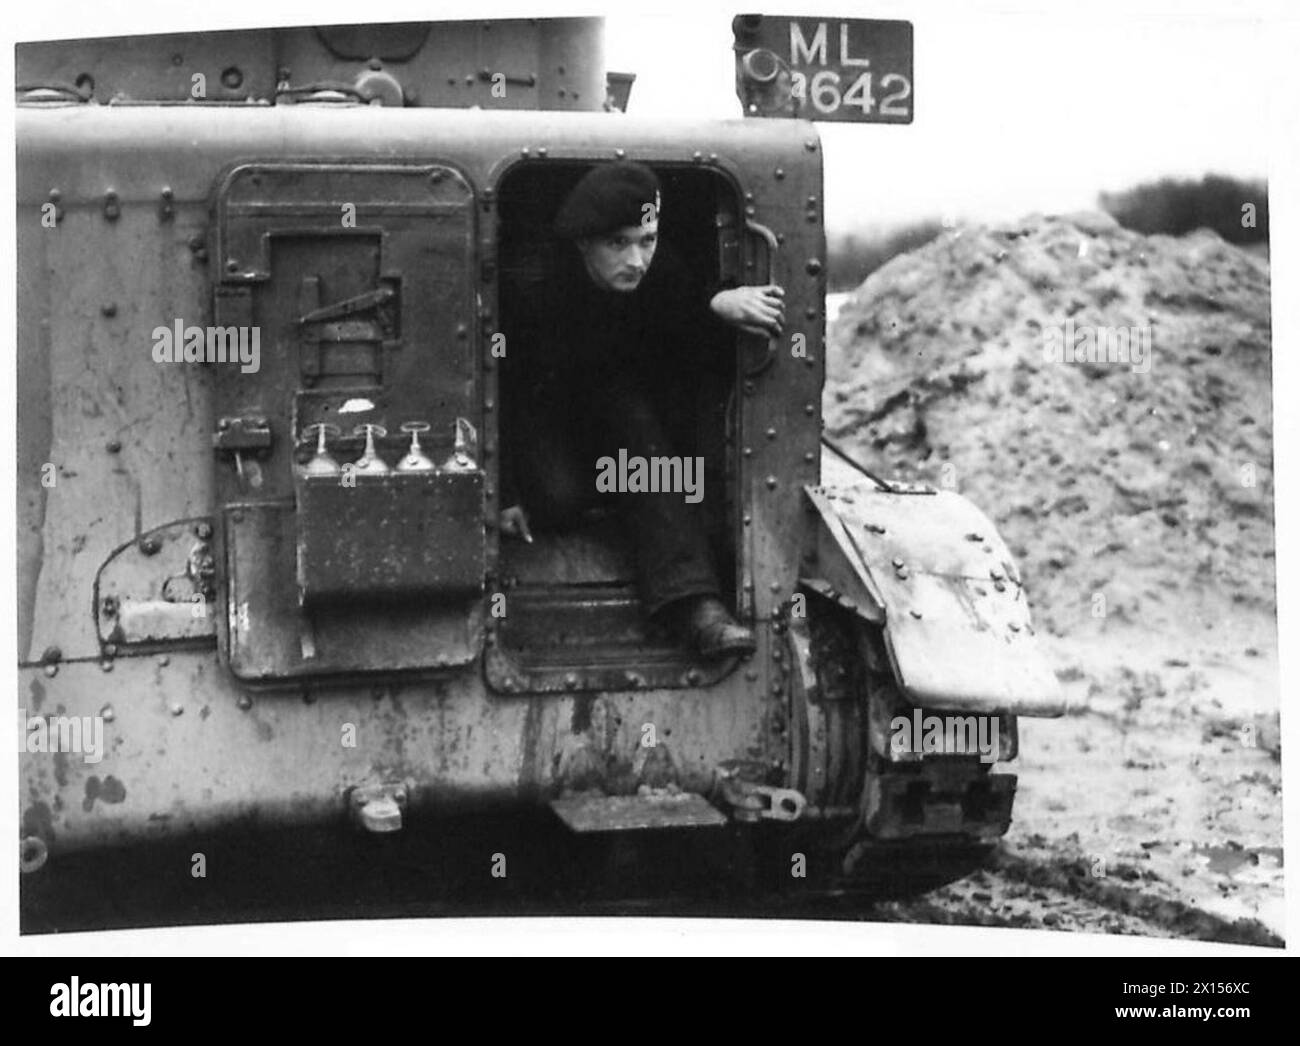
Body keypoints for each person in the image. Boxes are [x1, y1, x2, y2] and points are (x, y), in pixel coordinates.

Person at [499, 162, 785, 659]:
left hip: (625, 433)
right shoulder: (535, 289)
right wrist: (501, 492)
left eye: (647, 240)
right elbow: (502, 391)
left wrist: (718, 304)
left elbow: (684, 320)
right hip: (542, 429)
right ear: (583, 243)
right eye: (619, 244)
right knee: (562, 498)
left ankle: (693, 603)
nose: (637, 259)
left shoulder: (660, 269)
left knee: (631, 417)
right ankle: (622, 497)